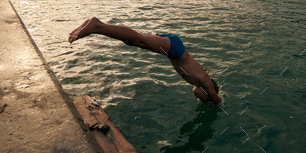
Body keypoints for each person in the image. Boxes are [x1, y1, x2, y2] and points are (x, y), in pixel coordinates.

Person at [68, 17, 223, 105]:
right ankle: (96, 26)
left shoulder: (198, 81)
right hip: (175, 49)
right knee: (138, 39)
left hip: (173, 48)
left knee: (133, 41)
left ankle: (97, 25)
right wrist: (220, 103)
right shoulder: (207, 83)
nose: (198, 98)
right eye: (203, 98)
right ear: (208, 92)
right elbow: (218, 101)